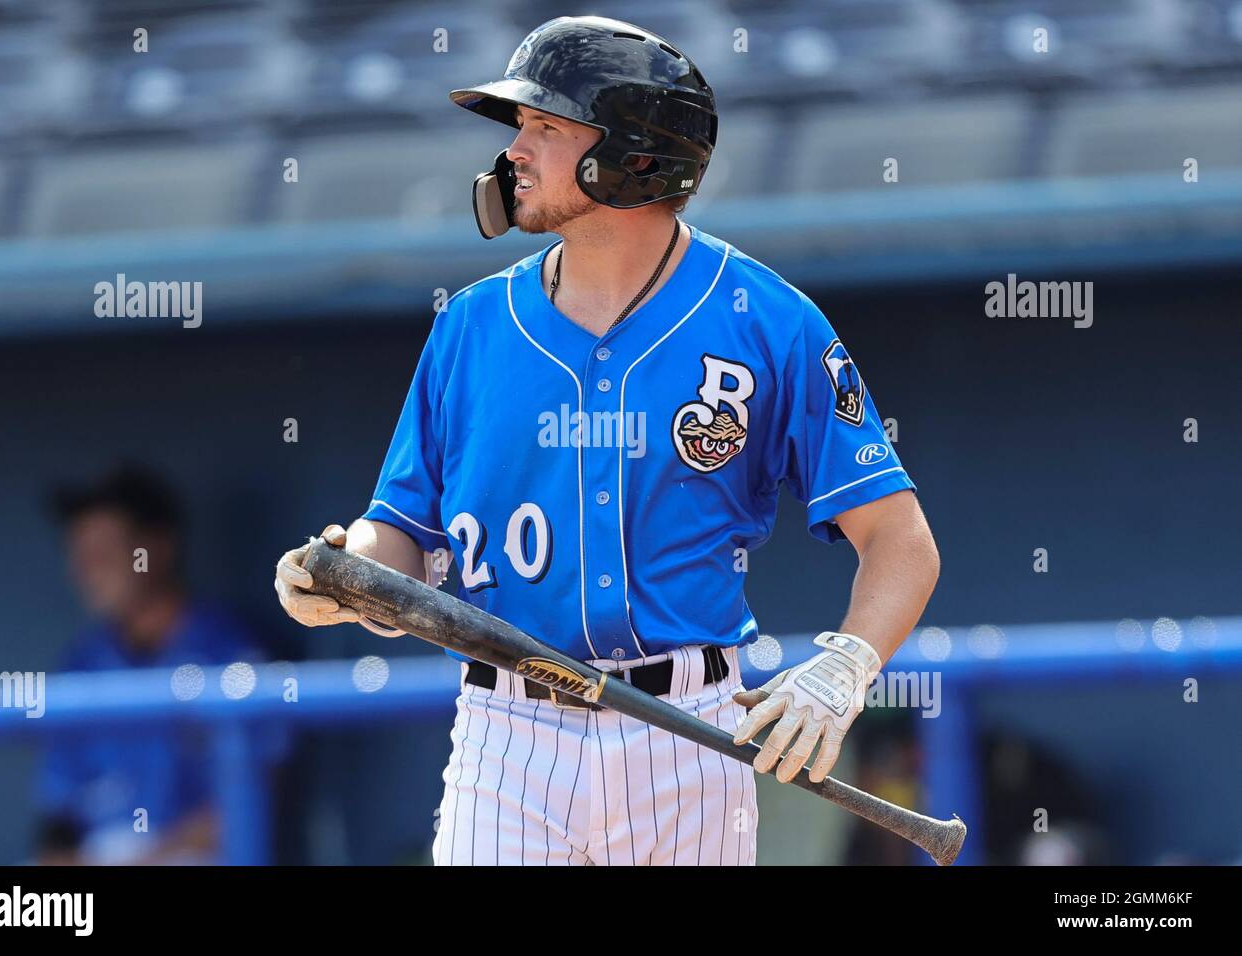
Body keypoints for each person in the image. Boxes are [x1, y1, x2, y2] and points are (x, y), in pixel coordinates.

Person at [276, 16, 939, 866]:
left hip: (691, 735)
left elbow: (901, 542)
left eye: (547, 128)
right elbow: (404, 532)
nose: (515, 149)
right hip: (508, 731)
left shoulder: (766, 320)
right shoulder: (470, 327)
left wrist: (844, 667)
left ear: (634, 155)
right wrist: (349, 571)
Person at [38, 465, 268, 865]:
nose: (86, 570)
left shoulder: (229, 651)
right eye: (80, 554)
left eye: (103, 552)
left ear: (157, 549)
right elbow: (57, 819)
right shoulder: (83, 662)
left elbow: (248, 806)